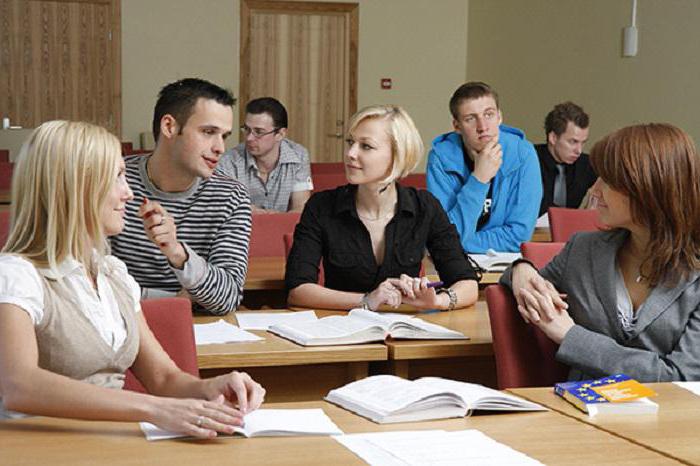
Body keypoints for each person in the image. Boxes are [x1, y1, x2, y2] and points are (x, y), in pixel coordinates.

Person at [0, 120, 265, 436]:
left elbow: (164, 379)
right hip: (39, 448)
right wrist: (152, 408)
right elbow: (19, 385)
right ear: (74, 187)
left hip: (107, 444)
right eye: (116, 178)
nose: (128, 192)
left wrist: (211, 387)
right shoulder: (16, 274)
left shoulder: (112, 273)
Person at [501, 123, 700, 382]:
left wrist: (571, 336)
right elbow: (520, 282)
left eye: (607, 181)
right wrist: (521, 270)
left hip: (671, 420)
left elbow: (684, 378)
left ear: (647, 189)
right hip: (580, 413)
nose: (594, 191)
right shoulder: (583, 250)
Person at [286, 105, 479, 311]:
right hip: (341, 330)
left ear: (397, 155)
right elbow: (298, 290)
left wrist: (438, 301)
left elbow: (468, 284)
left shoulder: (425, 206)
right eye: (350, 142)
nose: (350, 153)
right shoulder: (321, 206)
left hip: (405, 331)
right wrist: (367, 300)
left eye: (366, 146)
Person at [110, 78, 251, 315]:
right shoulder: (114, 180)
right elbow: (89, 286)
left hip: (197, 332)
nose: (220, 148)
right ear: (169, 127)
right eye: (208, 132)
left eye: (224, 136)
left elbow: (227, 298)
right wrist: (177, 299)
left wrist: (178, 253)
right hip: (121, 325)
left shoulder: (231, 196)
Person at [426, 81, 542, 253]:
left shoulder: (522, 154)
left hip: (505, 264)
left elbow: (519, 236)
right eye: (470, 119)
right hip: (452, 264)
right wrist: (479, 179)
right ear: (457, 126)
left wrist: (461, 242)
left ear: (499, 117)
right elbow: (441, 236)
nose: (482, 127)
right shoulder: (441, 159)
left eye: (488, 114)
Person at [218, 97, 313, 212]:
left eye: (259, 132)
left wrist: (267, 218)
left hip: (286, 229)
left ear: (280, 134)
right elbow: (227, 209)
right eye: (247, 129)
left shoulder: (299, 155)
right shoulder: (228, 161)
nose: (249, 138)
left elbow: (300, 209)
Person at [536, 102, 596, 216]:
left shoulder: (587, 165)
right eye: (573, 142)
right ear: (553, 138)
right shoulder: (528, 161)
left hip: (571, 231)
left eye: (583, 143)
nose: (579, 150)